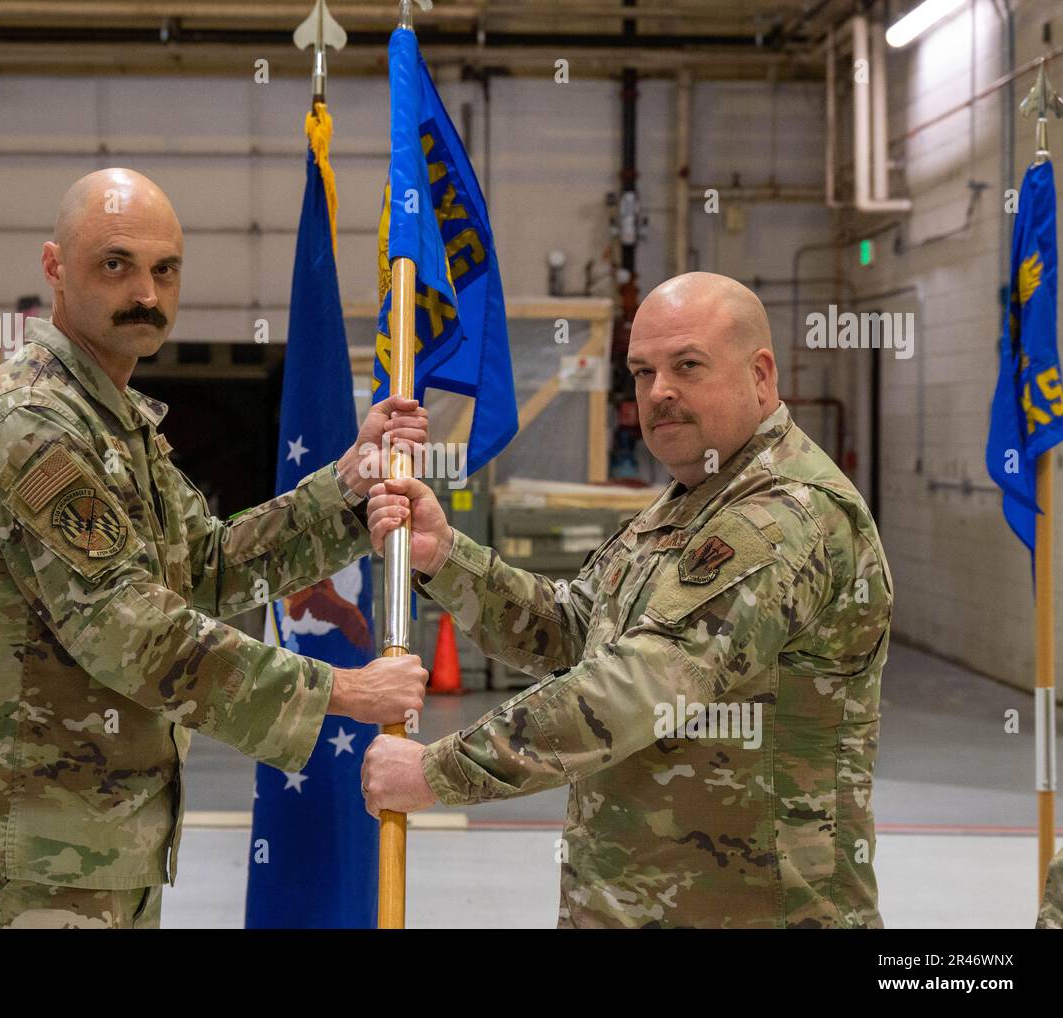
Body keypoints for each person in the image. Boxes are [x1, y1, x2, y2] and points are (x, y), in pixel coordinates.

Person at [0, 167, 429, 928]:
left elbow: (210, 568)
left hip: (99, 849)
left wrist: (349, 486)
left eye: (165, 270)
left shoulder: (116, 424)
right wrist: (343, 693)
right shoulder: (31, 427)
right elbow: (132, 630)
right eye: (115, 265)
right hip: (27, 866)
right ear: (55, 268)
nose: (146, 295)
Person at [361, 271, 893, 928]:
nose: (659, 392)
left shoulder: (785, 517)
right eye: (642, 373)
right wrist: (447, 557)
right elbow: (570, 628)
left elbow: (640, 684)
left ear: (761, 376)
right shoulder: (689, 501)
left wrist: (441, 769)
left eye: (687, 366)